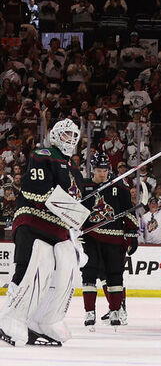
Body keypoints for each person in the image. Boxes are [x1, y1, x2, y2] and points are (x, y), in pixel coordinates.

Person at [0, 118, 85, 347]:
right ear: (56, 135)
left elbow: (76, 204)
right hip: (33, 221)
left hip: (59, 230)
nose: (70, 140)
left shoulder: (75, 170)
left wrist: (76, 230)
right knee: (34, 265)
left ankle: (46, 320)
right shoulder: (44, 154)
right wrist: (70, 208)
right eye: (66, 135)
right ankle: (12, 318)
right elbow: (37, 190)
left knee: (66, 268)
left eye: (73, 136)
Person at [80, 152, 138, 330]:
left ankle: (116, 311)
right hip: (89, 237)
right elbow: (75, 211)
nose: (102, 174)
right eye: (98, 170)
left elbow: (129, 211)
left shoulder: (119, 186)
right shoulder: (84, 186)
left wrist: (132, 234)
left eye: (105, 170)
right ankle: (90, 312)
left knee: (114, 275)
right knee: (89, 274)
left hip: (114, 237)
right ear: (92, 170)